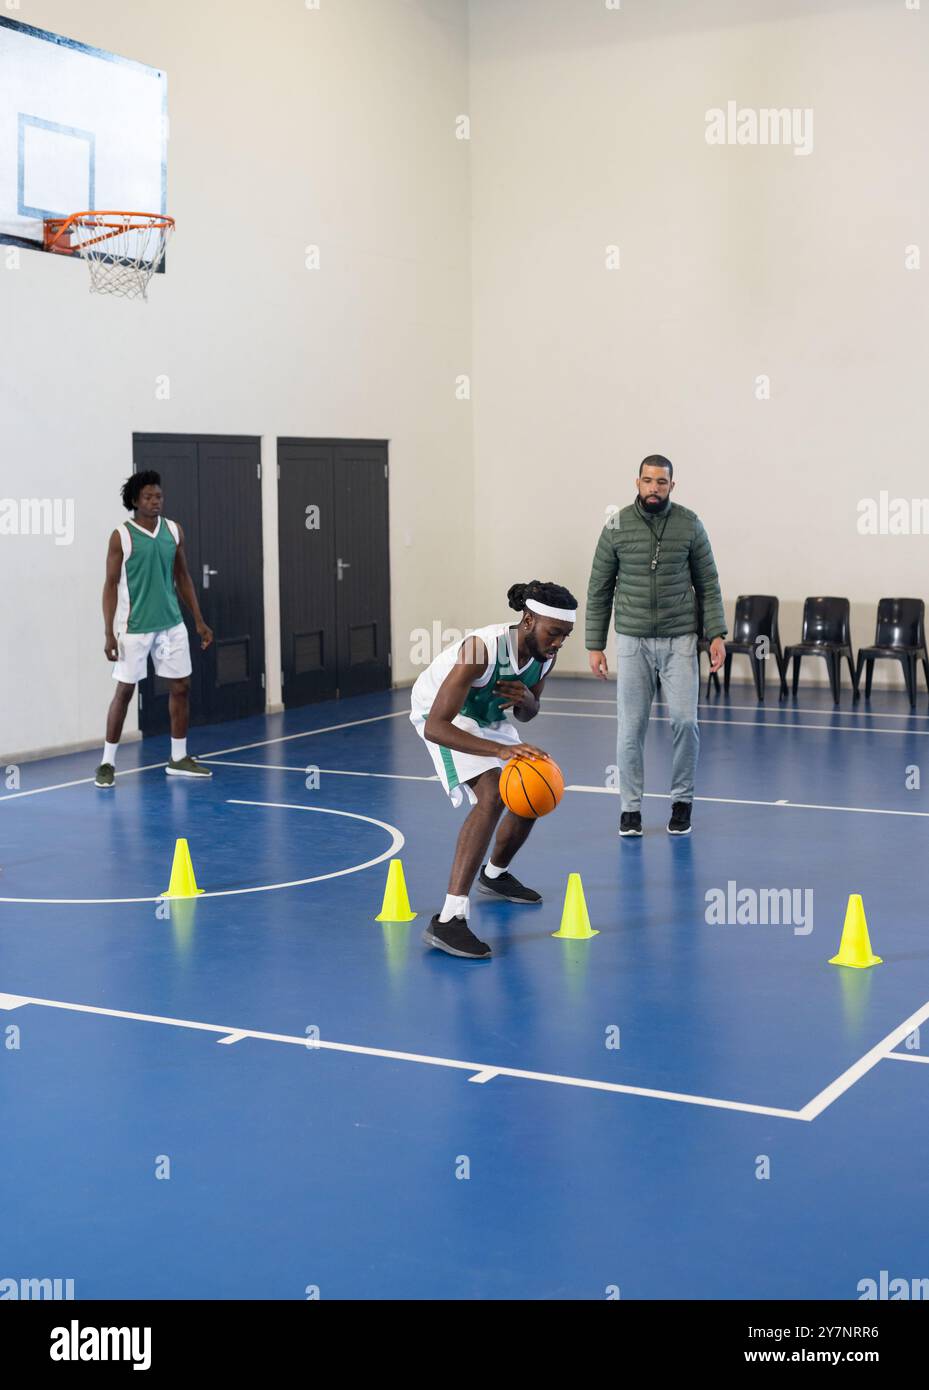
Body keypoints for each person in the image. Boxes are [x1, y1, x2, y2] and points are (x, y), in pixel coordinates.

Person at [410, 580, 576, 959]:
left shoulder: (545, 655)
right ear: (529, 619)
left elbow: (527, 715)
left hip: (485, 717)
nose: (559, 643)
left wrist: (528, 698)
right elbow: (437, 725)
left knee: (534, 786)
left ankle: (495, 876)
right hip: (443, 714)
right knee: (493, 792)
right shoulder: (480, 650)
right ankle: (449, 920)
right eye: (554, 633)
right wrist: (502, 751)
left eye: (565, 636)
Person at [586, 455, 726, 837]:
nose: (653, 488)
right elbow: (599, 587)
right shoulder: (616, 525)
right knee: (631, 728)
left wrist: (715, 634)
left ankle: (682, 802)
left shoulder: (689, 524)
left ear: (671, 486)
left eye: (661, 482)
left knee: (685, 722)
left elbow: (708, 584)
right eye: (647, 481)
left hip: (680, 640)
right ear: (637, 482)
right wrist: (595, 644)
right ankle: (630, 809)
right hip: (632, 641)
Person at [94, 470, 213, 788]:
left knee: (181, 687)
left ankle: (178, 758)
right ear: (135, 500)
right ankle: (107, 763)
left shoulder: (174, 531)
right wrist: (108, 632)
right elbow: (110, 585)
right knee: (124, 692)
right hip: (134, 628)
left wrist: (198, 620)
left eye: (158, 496)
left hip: (171, 625)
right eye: (148, 497)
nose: (155, 501)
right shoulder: (122, 536)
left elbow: (183, 577)